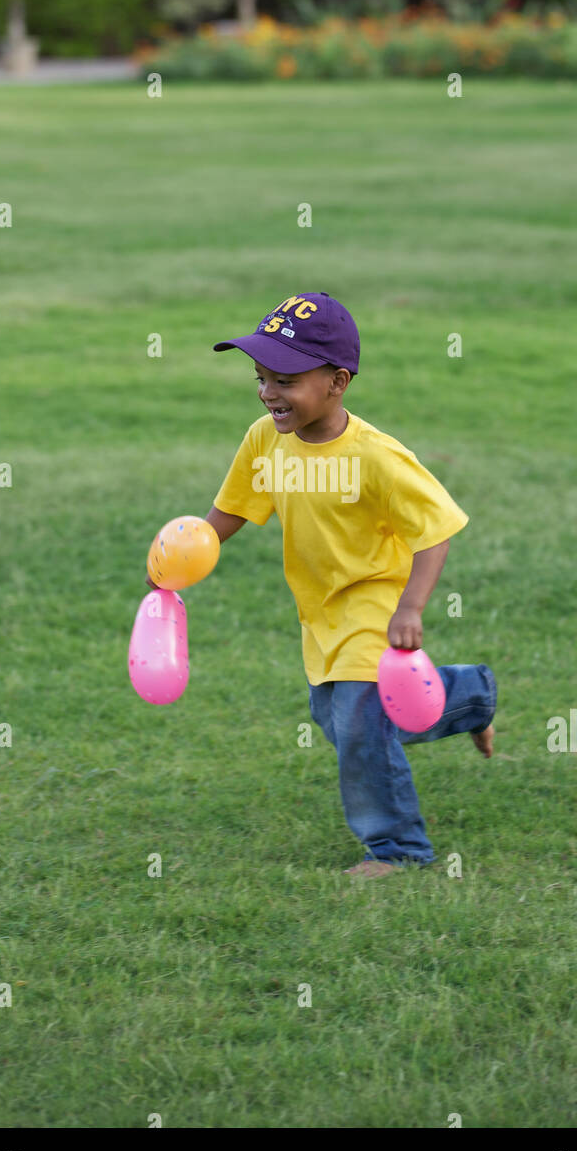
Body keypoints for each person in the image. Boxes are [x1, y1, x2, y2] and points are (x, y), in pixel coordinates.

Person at [168, 292, 496, 877]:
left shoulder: (378, 458)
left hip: (376, 604)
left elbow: (435, 532)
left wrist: (411, 608)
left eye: (285, 380)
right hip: (319, 609)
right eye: (260, 377)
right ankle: (471, 696)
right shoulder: (264, 439)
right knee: (339, 719)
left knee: (361, 723)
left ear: (337, 381)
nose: (270, 392)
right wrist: (179, 562)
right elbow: (232, 511)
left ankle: (398, 849)